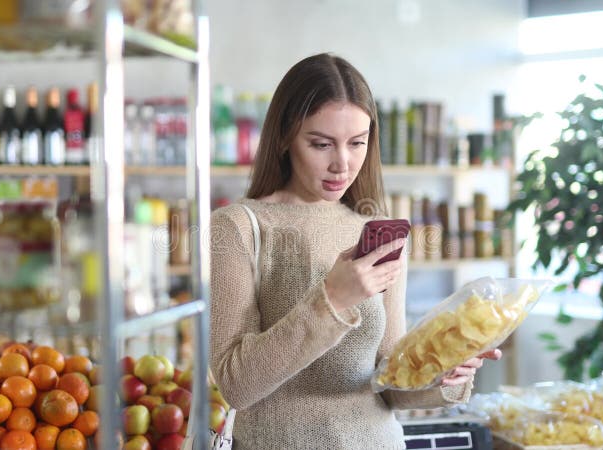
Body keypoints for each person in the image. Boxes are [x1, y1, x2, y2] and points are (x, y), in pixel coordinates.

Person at [209, 53, 501, 450]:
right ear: (284, 137)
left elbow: (390, 385)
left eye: (357, 143)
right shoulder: (238, 228)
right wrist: (331, 300)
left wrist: (443, 369)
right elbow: (235, 385)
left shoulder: (374, 230)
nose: (342, 164)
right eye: (321, 144)